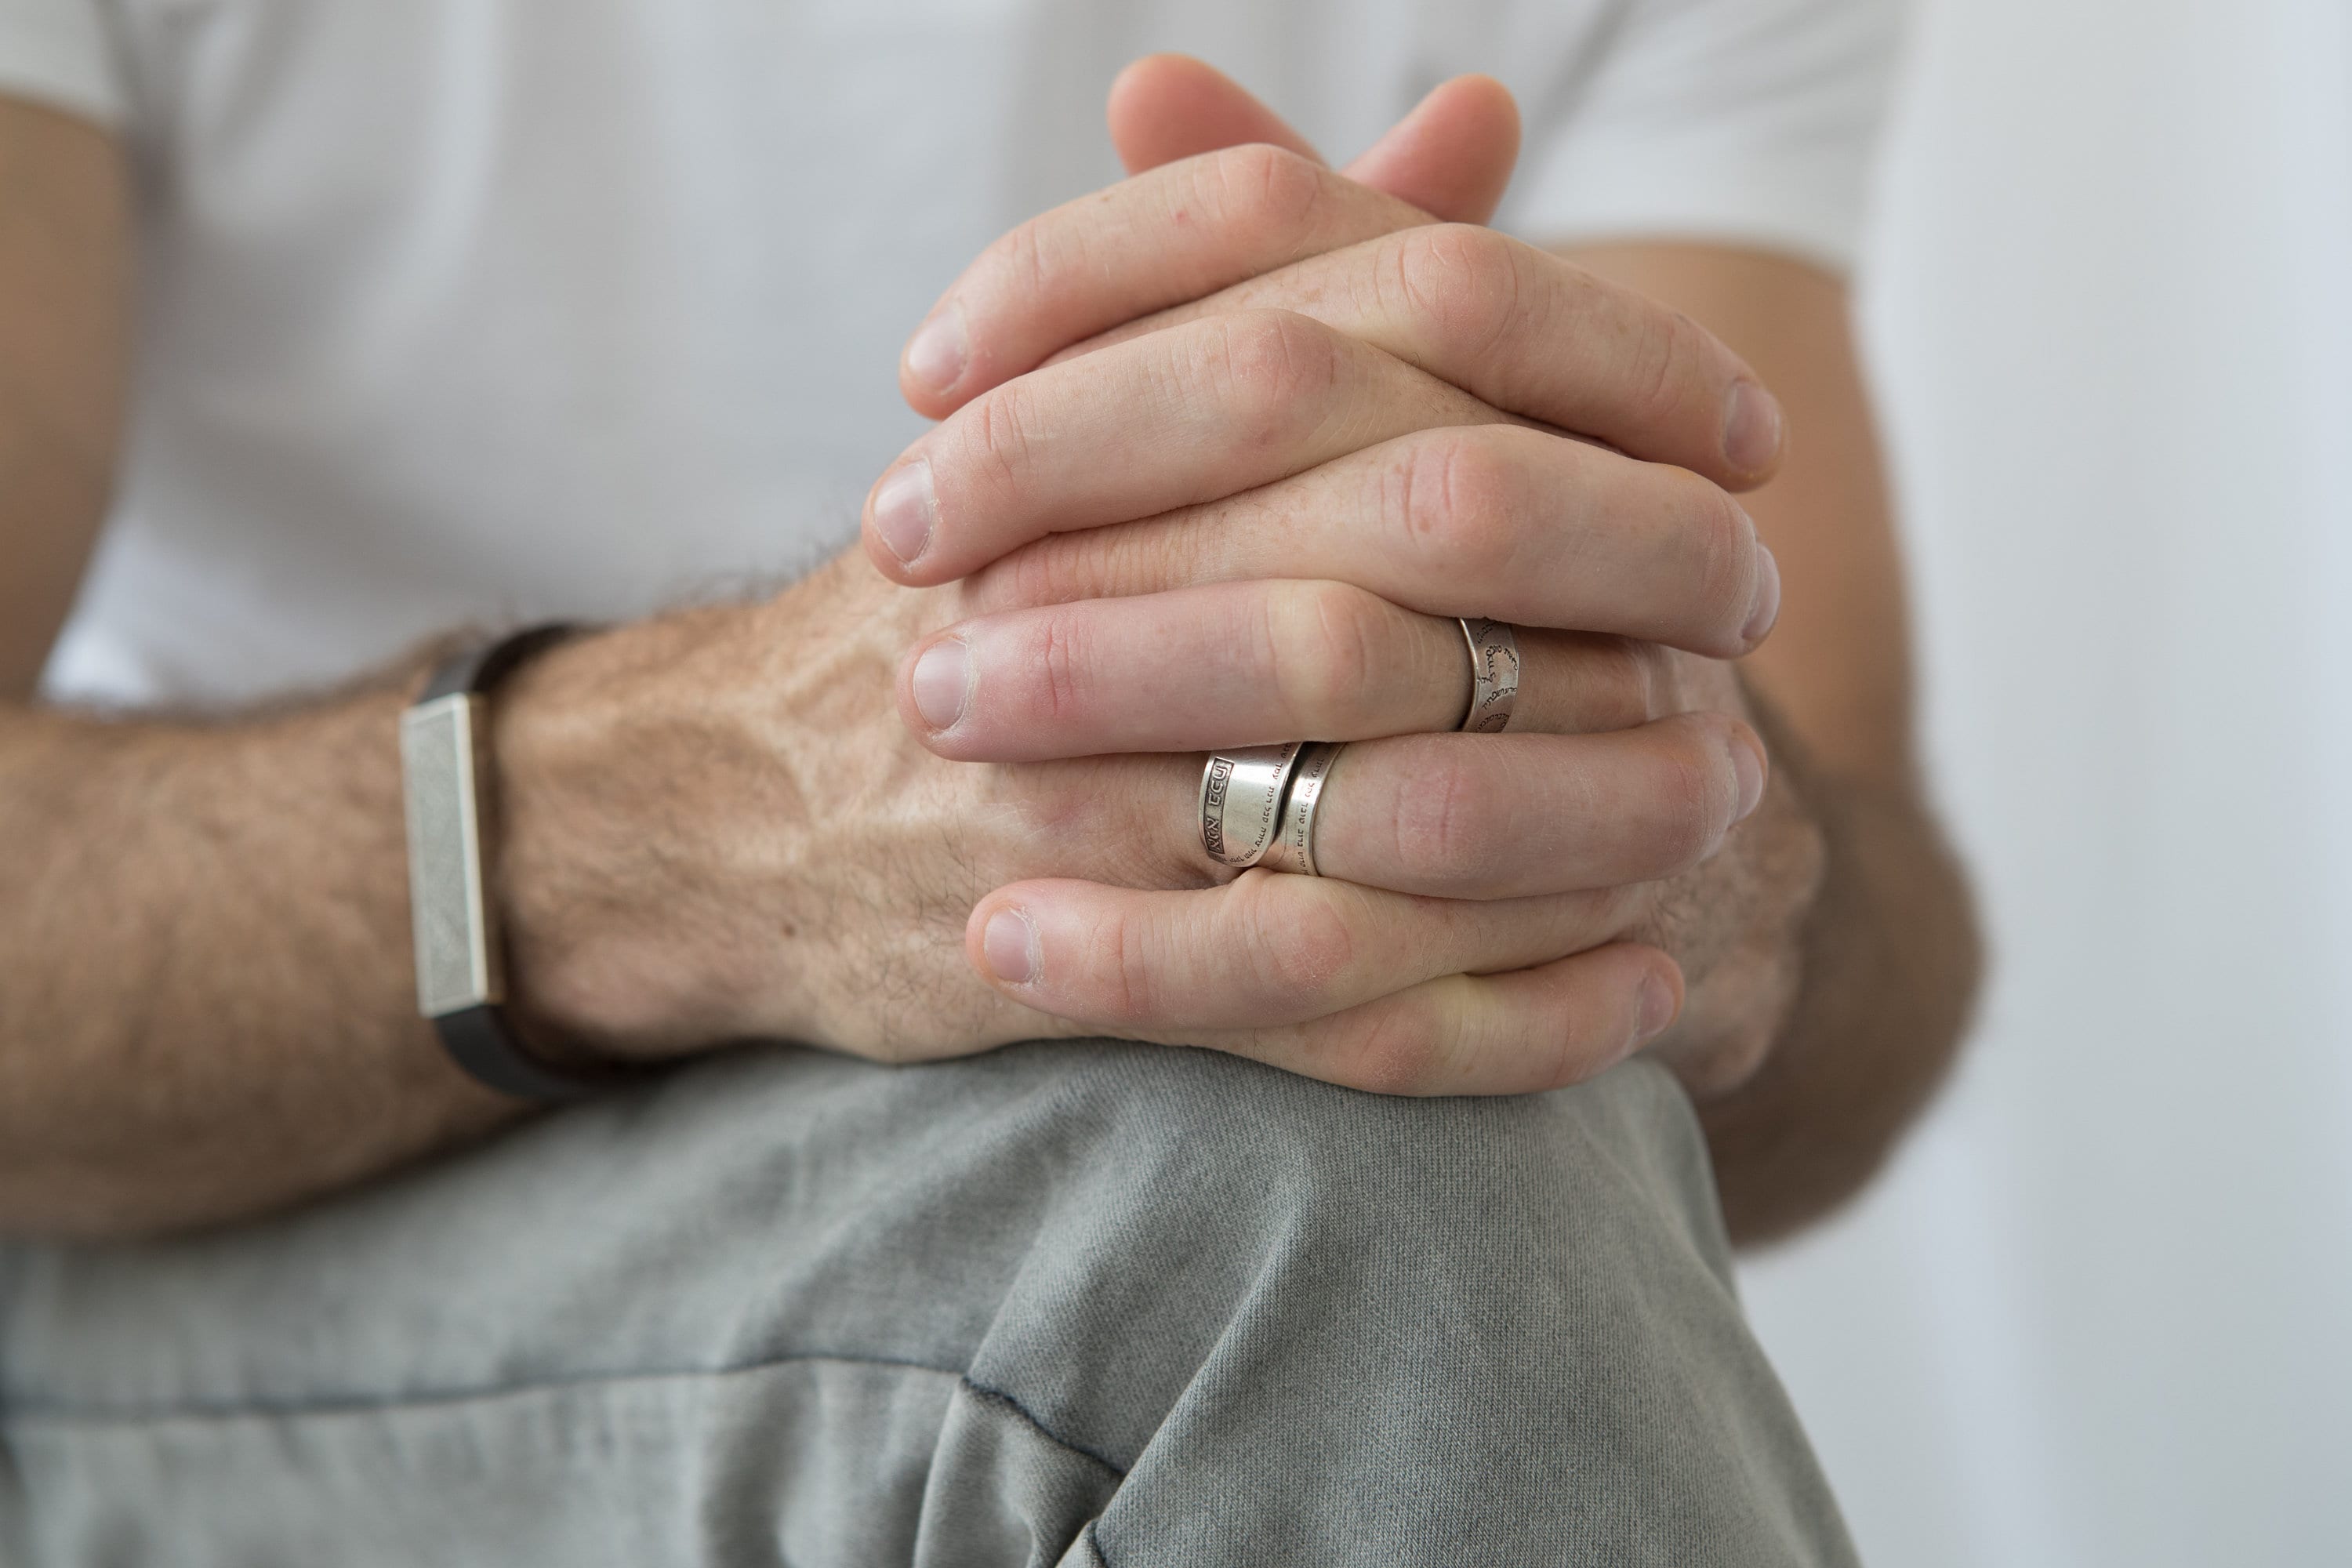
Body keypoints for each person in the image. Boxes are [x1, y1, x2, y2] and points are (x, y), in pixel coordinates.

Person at [0, 3, 1977, 1563]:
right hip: (217, 1221)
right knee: (1304, 1198)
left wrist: (1670, 828)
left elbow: (1866, 944)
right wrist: (693, 817)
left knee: (1407, 1098)